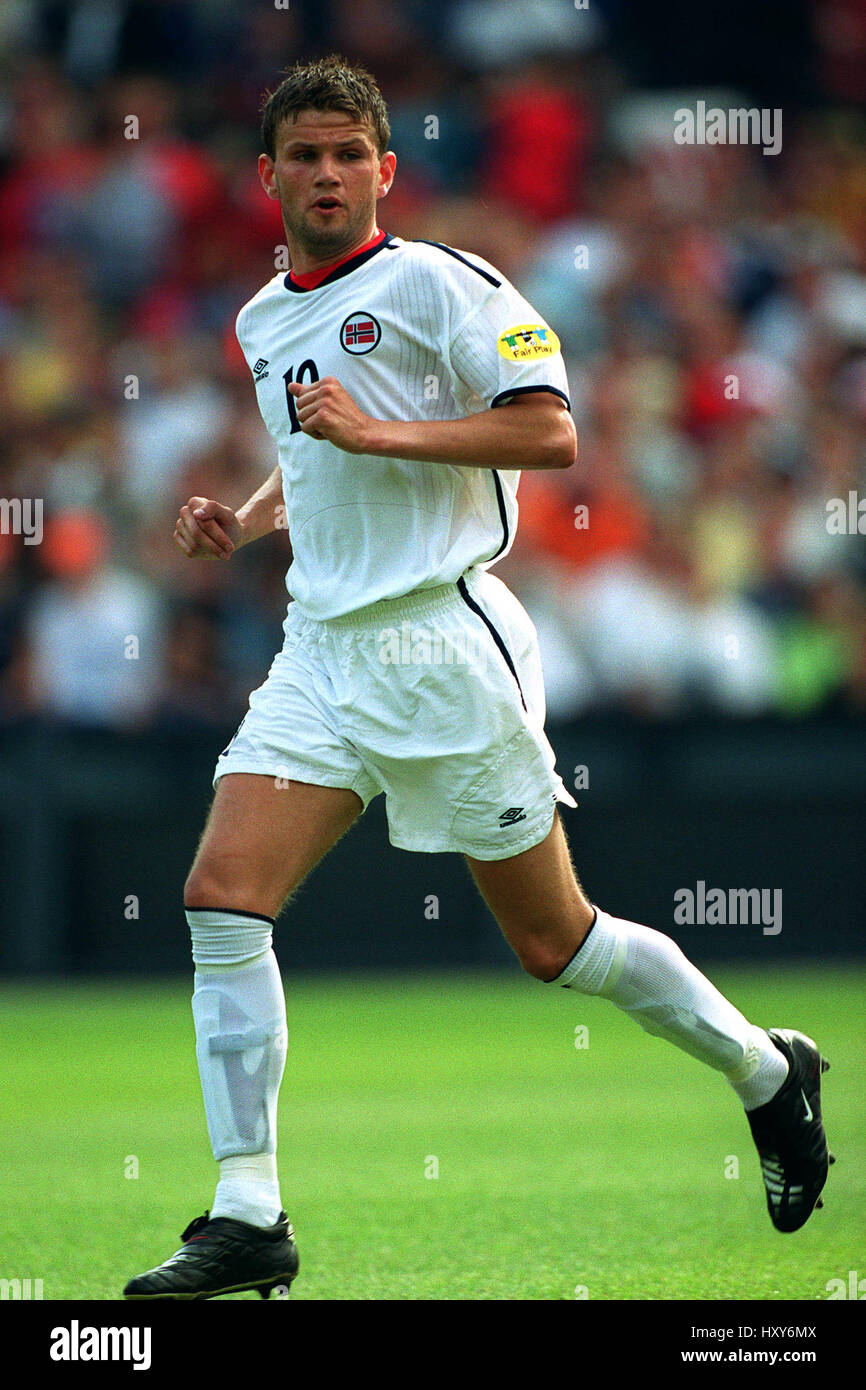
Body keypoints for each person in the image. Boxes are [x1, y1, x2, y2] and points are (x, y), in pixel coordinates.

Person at [124, 56, 832, 1300]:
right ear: (269, 177)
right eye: (306, 155)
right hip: (323, 650)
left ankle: (765, 1070)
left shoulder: (447, 283)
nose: (329, 173)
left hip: (446, 647)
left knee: (555, 943)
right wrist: (240, 521)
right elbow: (316, 454)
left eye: (351, 154)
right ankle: (248, 1213)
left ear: (386, 171)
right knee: (221, 896)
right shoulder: (258, 318)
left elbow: (548, 428)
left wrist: (377, 430)